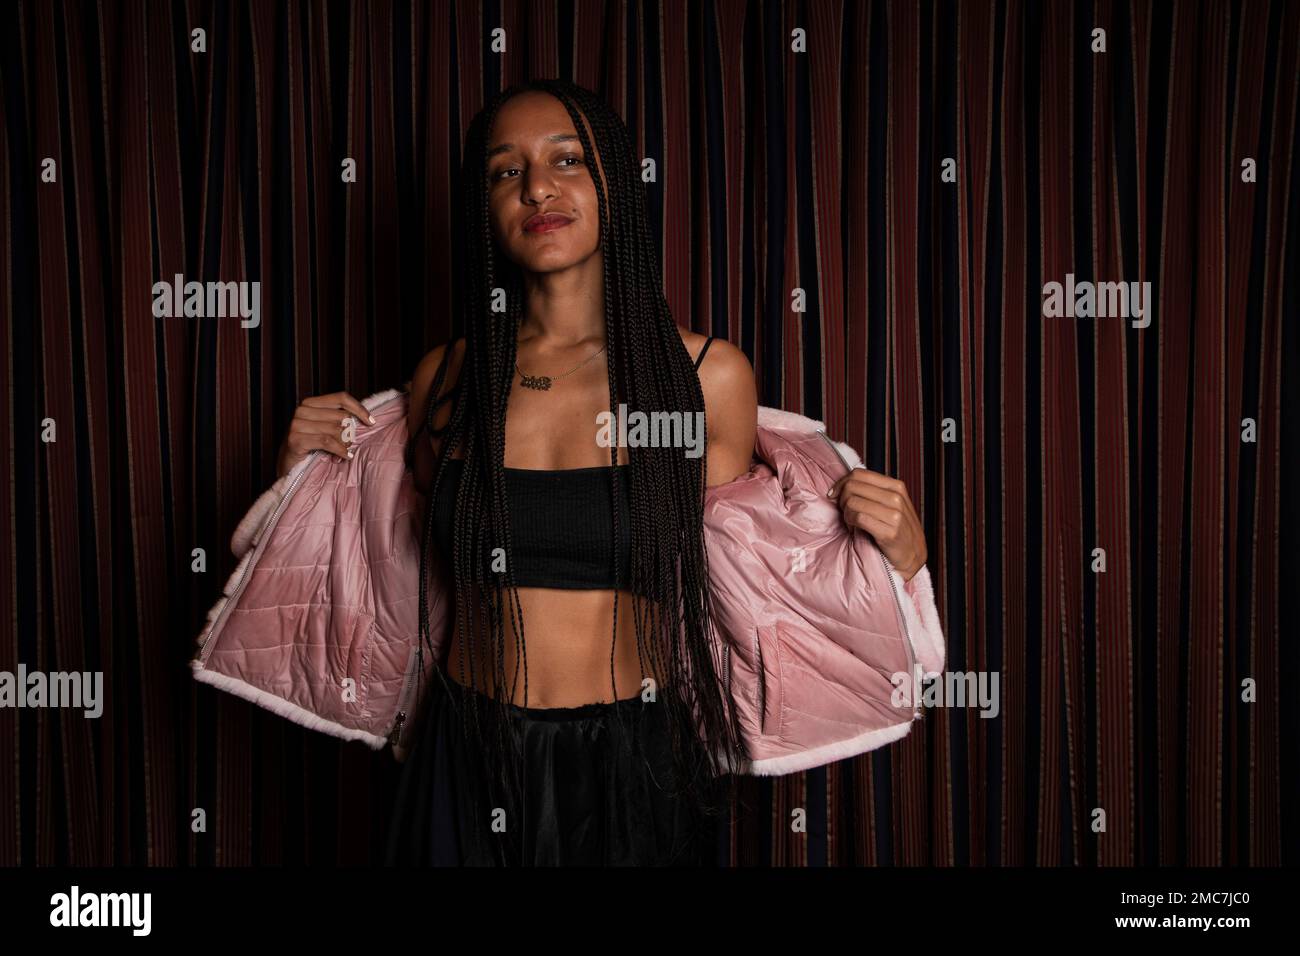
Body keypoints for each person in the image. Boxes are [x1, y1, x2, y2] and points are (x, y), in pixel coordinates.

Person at [256, 79, 932, 867]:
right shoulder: (445, 378)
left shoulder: (705, 377)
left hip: (636, 761)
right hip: (466, 751)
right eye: (506, 171)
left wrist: (903, 563)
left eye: (566, 160)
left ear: (612, 180)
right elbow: (373, 561)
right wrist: (298, 479)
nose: (537, 187)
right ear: (486, 206)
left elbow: (765, 570)